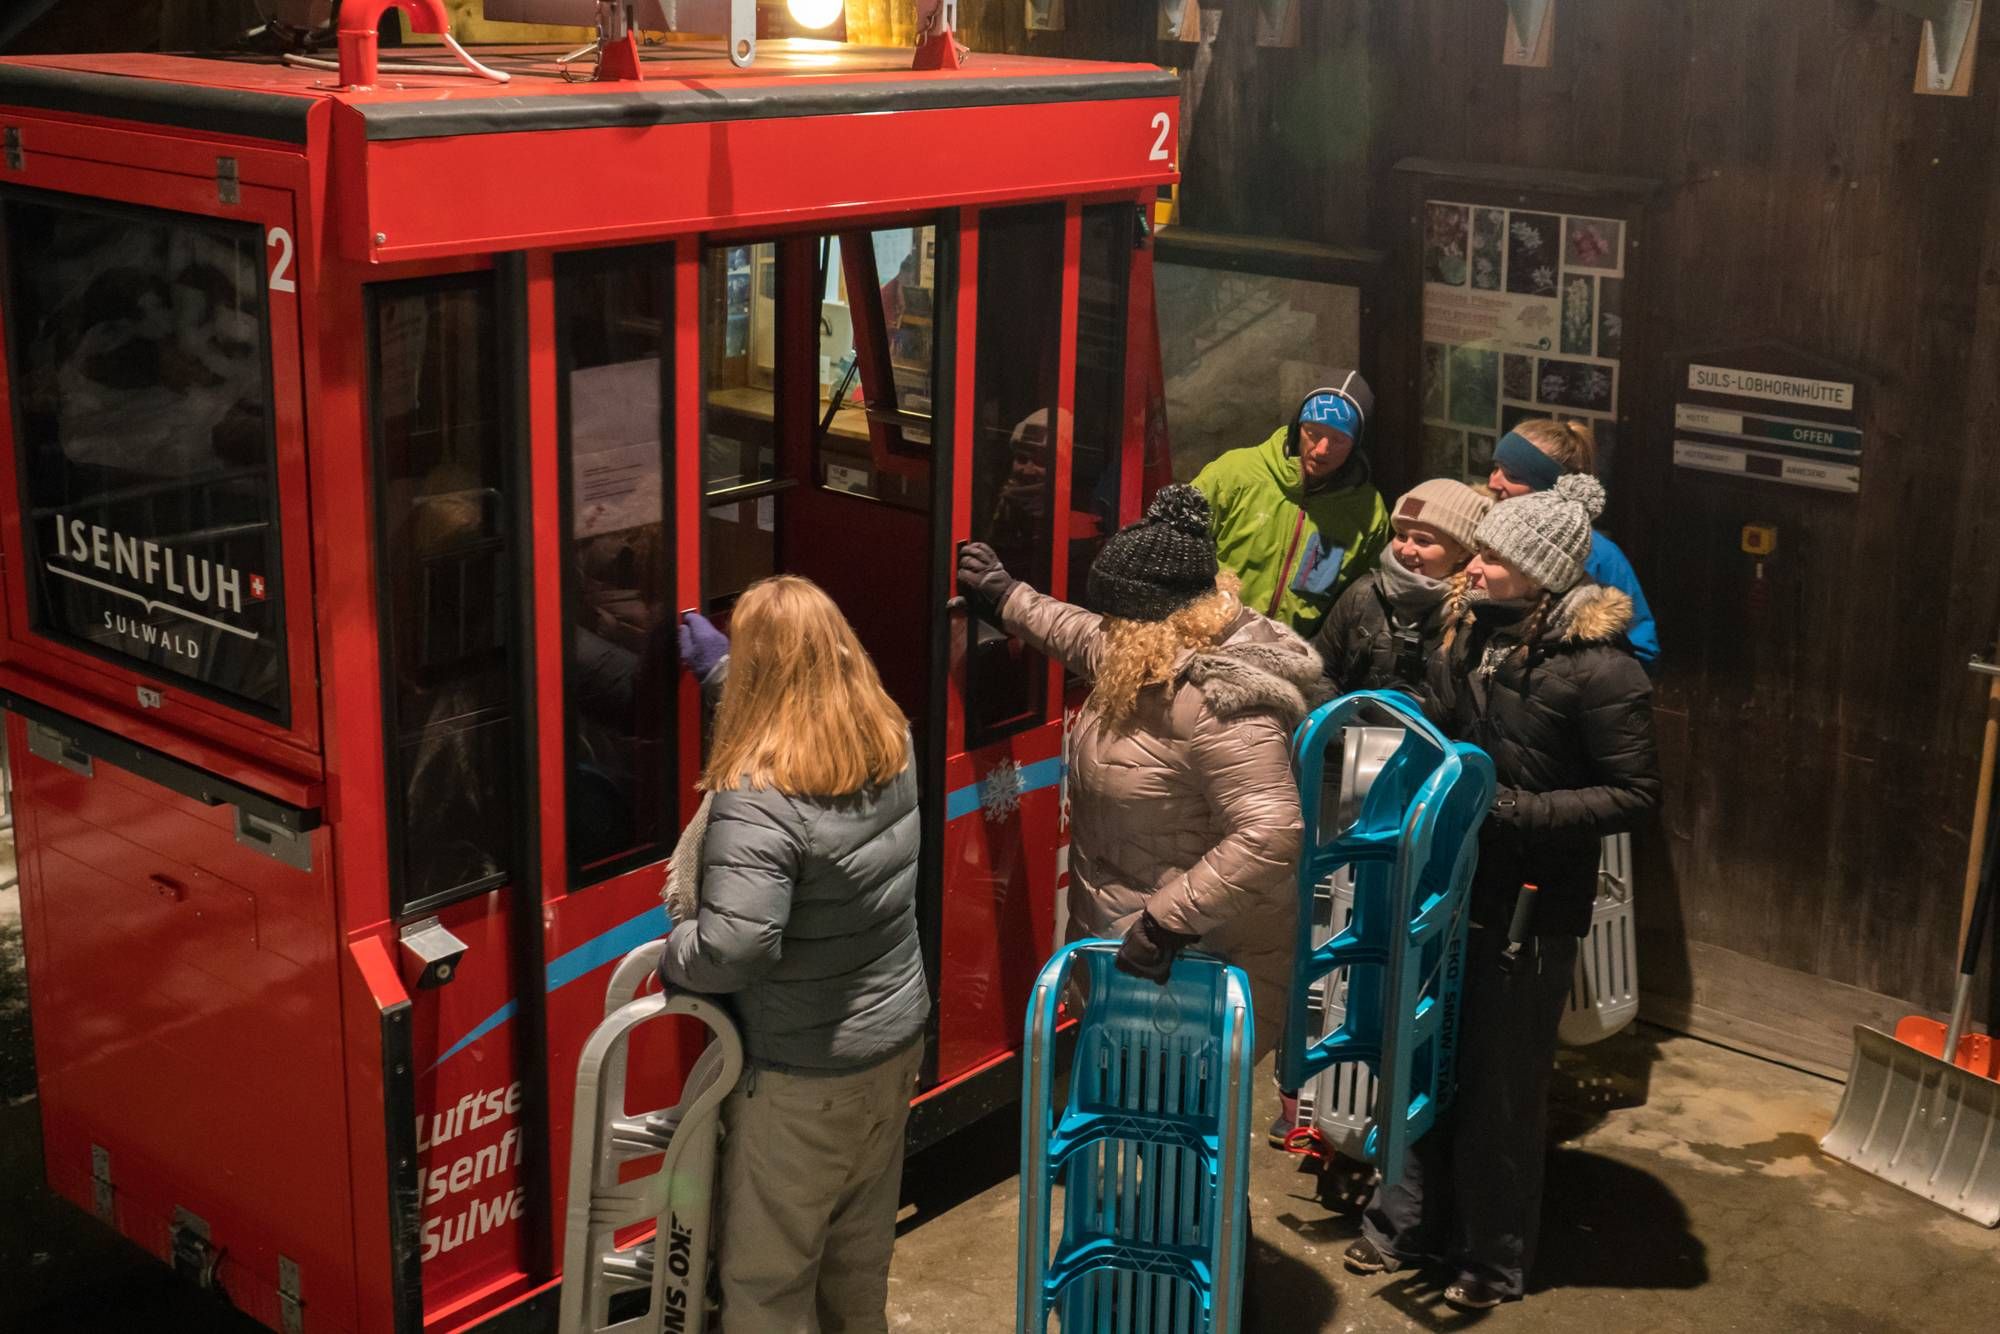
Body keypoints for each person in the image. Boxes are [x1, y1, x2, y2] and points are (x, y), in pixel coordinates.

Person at [1346, 473, 1660, 1310]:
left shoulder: (1602, 670)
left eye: (1492, 555)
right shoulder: (1464, 633)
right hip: (1446, 886)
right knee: (1421, 1057)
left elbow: (1636, 796)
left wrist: (1515, 809)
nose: (1473, 567)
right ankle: (1401, 1223)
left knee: (1501, 1089)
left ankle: (1492, 1258)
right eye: (1477, 551)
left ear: (1541, 572)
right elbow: (1447, 731)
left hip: (1529, 902)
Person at [956, 484, 1326, 1061]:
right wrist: (1006, 597)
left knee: (1177, 1132)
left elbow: (1271, 831)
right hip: (1133, 953)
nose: (1106, 627)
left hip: (1192, 971)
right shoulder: (1157, 650)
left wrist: (1165, 923)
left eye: (1116, 617)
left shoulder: (1224, 702)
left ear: (1152, 621)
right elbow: (1078, 633)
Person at [659, 577, 927, 1334]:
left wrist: (676, 952)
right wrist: (723, 674)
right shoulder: (889, 736)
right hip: (893, 1046)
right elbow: (800, 711)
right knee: (855, 1261)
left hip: (804, 1075)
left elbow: (737, 943)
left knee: (768, 1284)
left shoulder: (757, 793)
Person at [1191, 371, 1392, 639]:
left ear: (1356, 444)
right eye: (1313, 432)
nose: (1321, 449)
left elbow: (1358, 602)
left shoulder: (1366, 511)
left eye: (1338, 440)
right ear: (1297, 426)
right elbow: (1175, 546)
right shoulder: (1234, 473)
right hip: (1214, 639)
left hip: (1295, 656)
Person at [1486, 417, 1659, 668]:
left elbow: (1641, 650)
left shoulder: (1596, 554)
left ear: (1549, 486)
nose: (1493, 482)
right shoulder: (1485, 530)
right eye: (1495, 468)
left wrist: (1569, 678)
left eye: (1512, 475)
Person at [1312, 478, 1492, 694]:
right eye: (1401, 535)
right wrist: (1339, 717)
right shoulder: (1364, 594)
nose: (1406, 550)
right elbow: (1320, 671)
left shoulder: (1474, 615)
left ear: (1463, 550)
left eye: (1423, 541)